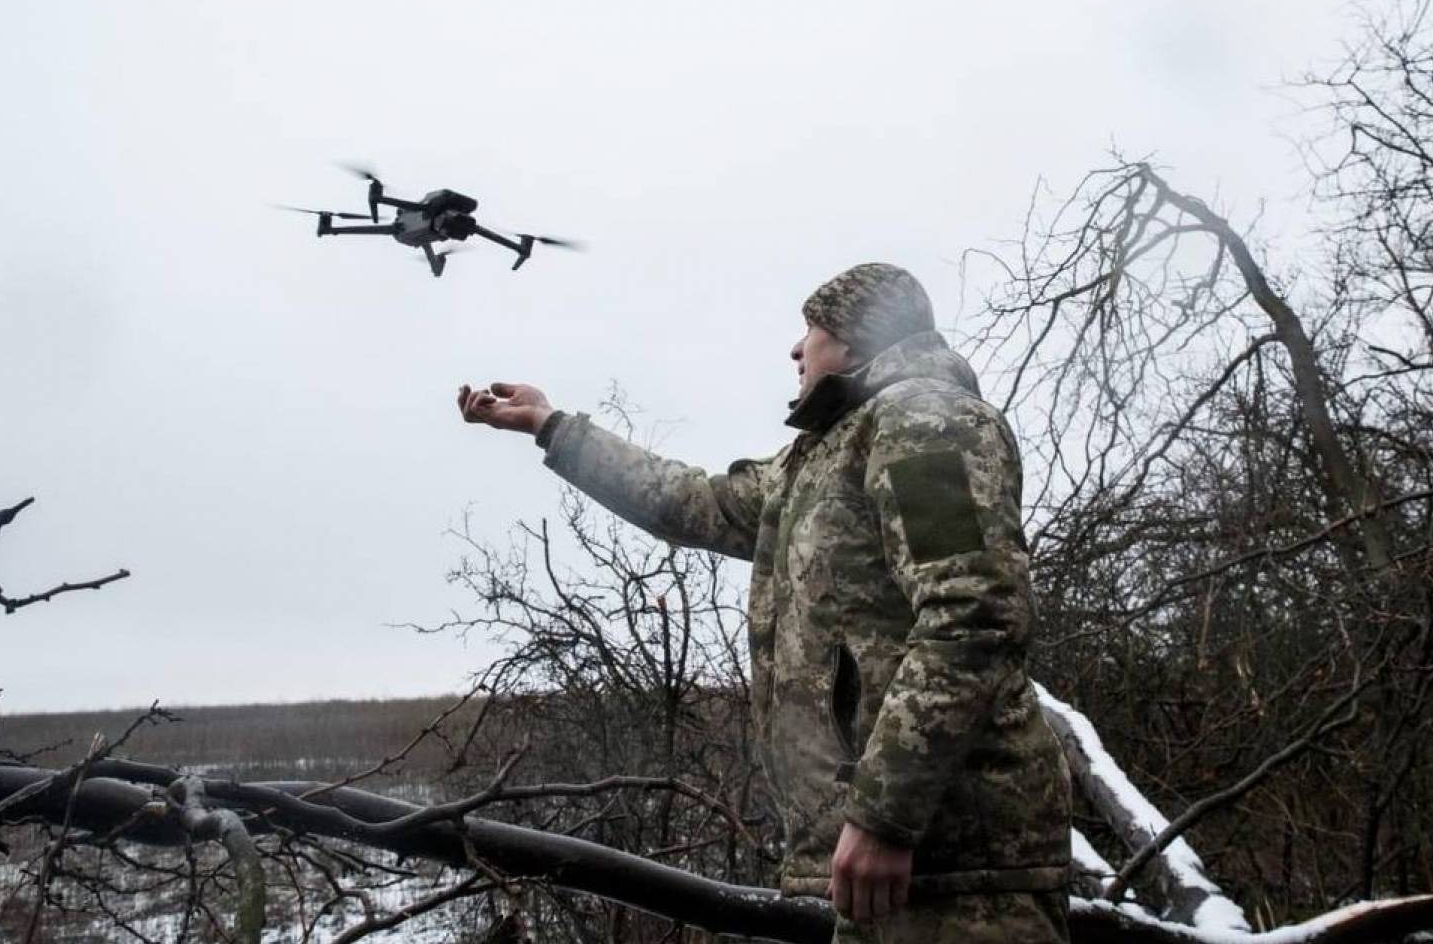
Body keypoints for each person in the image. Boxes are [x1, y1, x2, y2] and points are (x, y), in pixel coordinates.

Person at [457, 263, 1071, 942]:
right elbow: (690, 501)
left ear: (855, 337)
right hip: (867, 873)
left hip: (952, 878)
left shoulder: (924, 422)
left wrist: (884, 816)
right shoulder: (819, 458)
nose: (796, 348)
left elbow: (974, 615)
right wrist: (549, 425)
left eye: (811, 329)